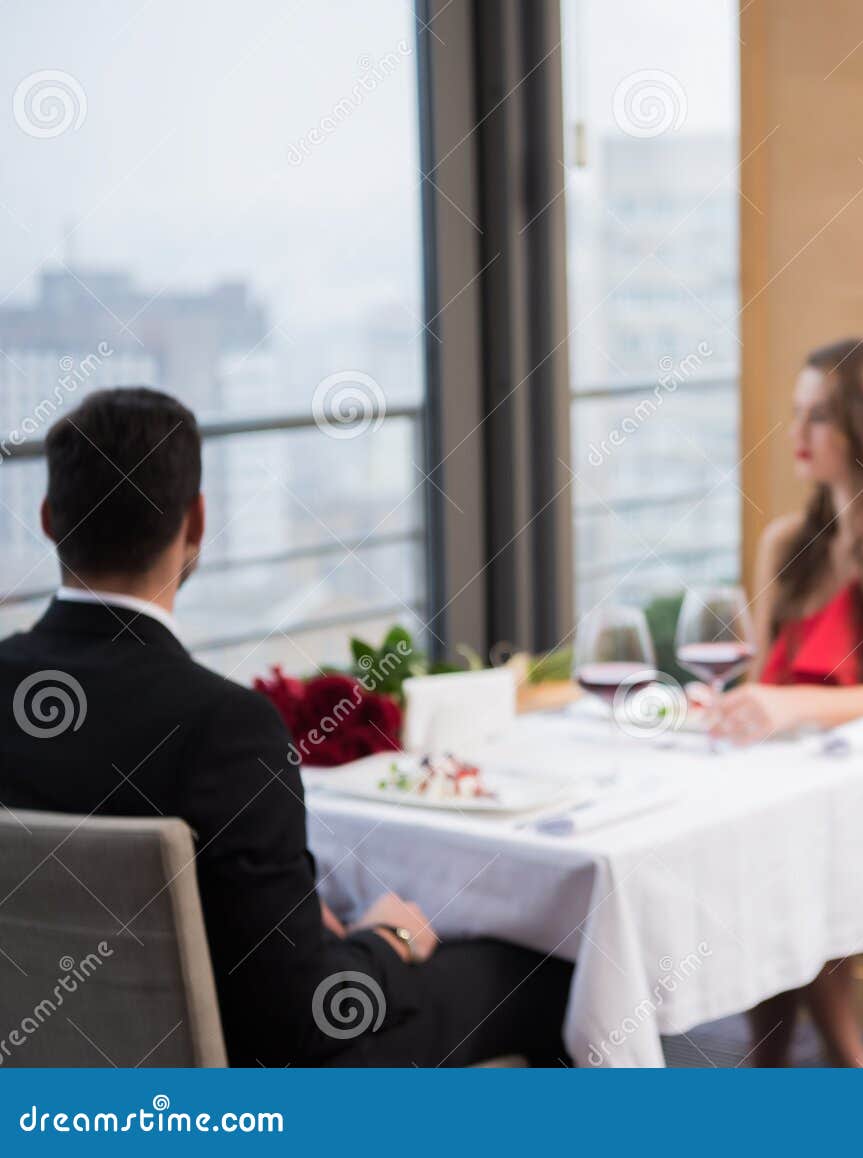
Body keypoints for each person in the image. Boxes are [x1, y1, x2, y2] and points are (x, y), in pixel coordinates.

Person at [0, 387, 572, 1067]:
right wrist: (385, 941)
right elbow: (300, 1026)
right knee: (544, 969)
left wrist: (312, 933)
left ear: (47, 519)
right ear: (198, 524)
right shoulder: (224, 727)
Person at [708, 337, 863, 1066]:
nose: (796, 436)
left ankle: (816, 1054)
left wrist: (788, 707)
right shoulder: (786, 545)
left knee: (795, 840)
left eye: (819, 417)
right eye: (795, 414)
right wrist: (727, 703)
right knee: (762, 830)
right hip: (788, 779)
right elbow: (759, 681)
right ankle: (816, 1059)